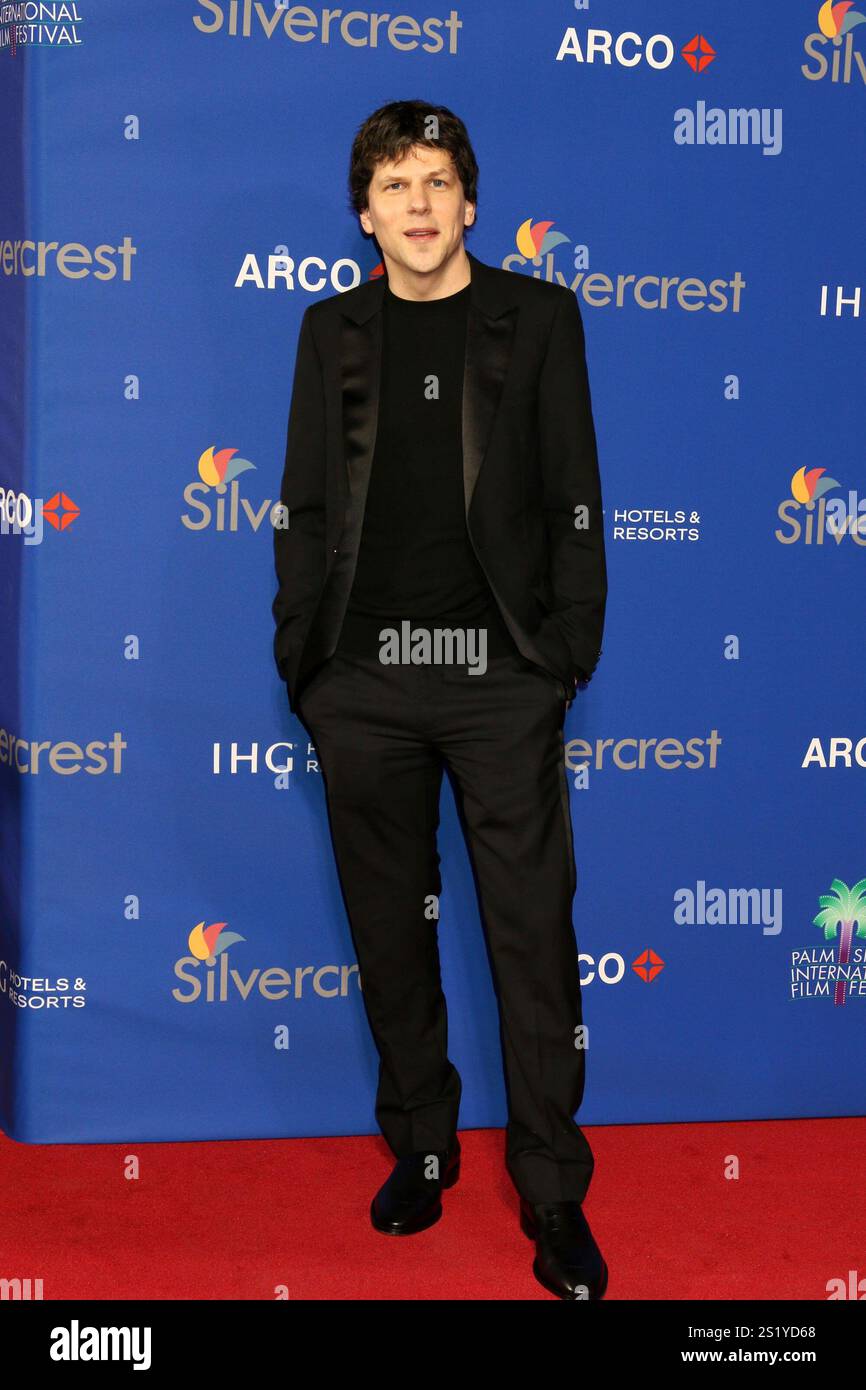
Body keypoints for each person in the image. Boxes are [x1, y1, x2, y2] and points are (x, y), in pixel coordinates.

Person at [272, 99, 608, 1300]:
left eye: (436, 181)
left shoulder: (540, 319)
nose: (417, 205)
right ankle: (420, 1141)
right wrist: (302, 664)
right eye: (394, 185)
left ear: (471, 199)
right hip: (360, 687)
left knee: (531, 941)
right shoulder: (330, 333)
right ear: (363, 214)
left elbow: (575, 496)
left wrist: (560, 656)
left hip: (498, 683)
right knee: (389, 934)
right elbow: (307, 507)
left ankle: (554, 1197)